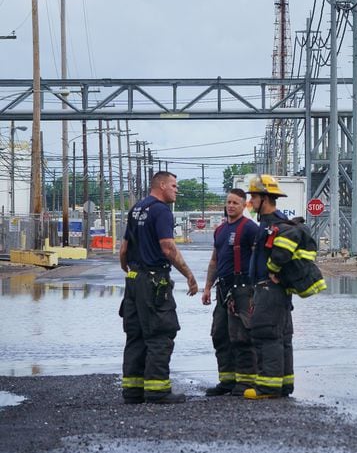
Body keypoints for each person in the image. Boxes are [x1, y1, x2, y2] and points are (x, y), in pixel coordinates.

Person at [118, 170, 198, 404]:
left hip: (134, 280)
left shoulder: (136, 209)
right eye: (174, 185)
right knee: (160, 334)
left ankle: (132, 391)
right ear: (161, 186)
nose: (176, 189)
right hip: (154, 281)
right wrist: (189, 275)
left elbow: (123, 249)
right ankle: (157, 390)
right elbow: (168, 248)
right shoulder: (162, 211)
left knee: (136, 335)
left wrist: (130, 271)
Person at [242, 175, 319, 399]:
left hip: (269, 290)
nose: (251, 201)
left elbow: (287, 244)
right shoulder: (267, 224)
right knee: (281, 337)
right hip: (272, 291)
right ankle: (284, 384)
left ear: (265, 198)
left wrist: (274, 268)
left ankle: (268, 387)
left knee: (266, 335)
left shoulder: (274, 224)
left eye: (254, 197)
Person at [201, 188, 262, 396]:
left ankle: (246, 382)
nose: (231, 206)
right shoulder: (220, 230)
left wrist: (257, 290)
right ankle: (226, 380)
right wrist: (207, 287)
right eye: (228, 202)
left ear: (244, 205)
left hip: (243, 289)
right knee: (220, 335)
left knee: (242, 336)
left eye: (236, 202)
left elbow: (259, 259)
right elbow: (214, 260)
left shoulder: (250, 228)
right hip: (223, 289)